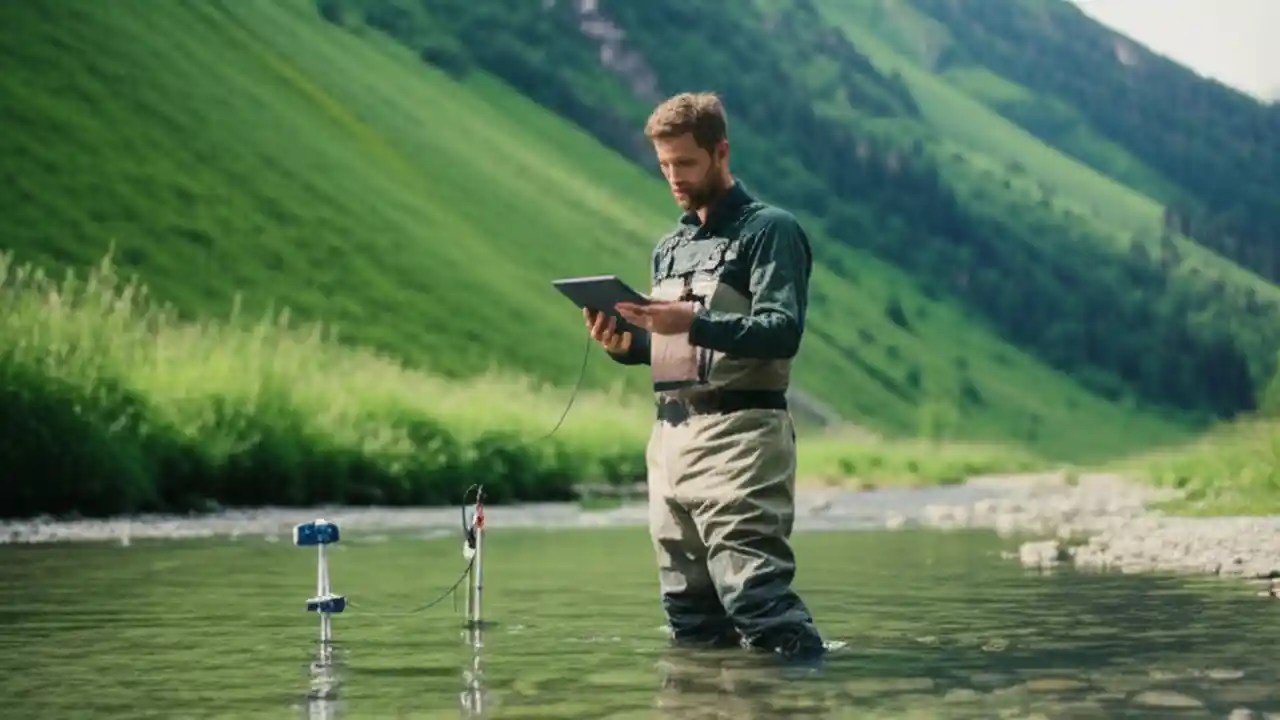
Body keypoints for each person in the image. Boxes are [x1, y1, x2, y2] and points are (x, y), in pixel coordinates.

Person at [583, 91, 825, 662]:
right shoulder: (668, 247)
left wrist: (690, 321)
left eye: (685, 163)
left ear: (721, 152)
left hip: (741, 436)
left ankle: (802, 699)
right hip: (669, 442)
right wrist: (627, 346)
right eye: (664, 164)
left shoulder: (771, 230)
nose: (673, 177)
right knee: (688, 615)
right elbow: (675, 346)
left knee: (758, 601)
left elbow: (780, 330)